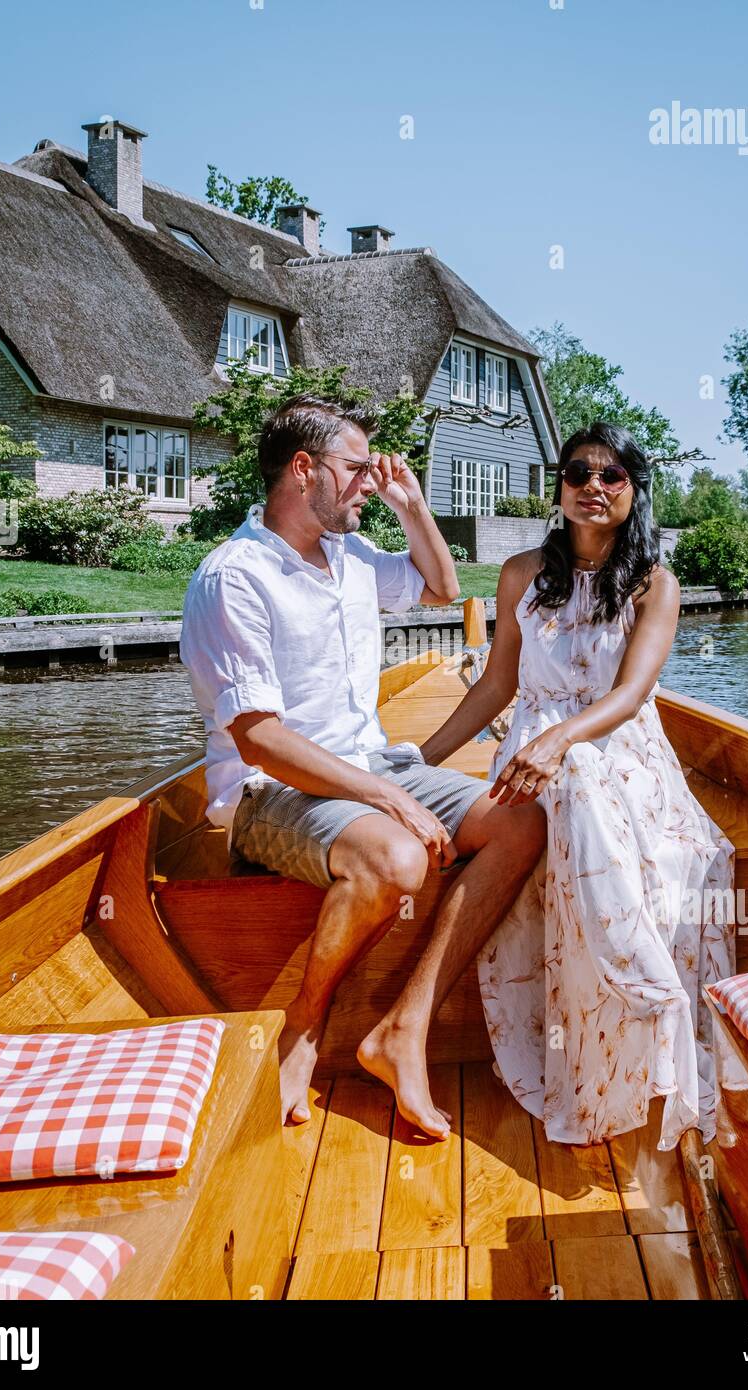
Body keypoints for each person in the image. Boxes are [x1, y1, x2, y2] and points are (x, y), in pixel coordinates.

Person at [180, 394, 546, 1139]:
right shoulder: (235, 578)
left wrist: (414, 506)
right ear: (303, 469)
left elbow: (442, 587)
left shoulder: (349, 559)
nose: (368, 484)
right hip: (269, 793)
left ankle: (403, 1028)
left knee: (520, 823)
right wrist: (386, 796)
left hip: (370, 761)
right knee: (396, 856)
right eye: (356, 470)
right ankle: (305, 1028)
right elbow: (259, 739)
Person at [417, 422, 737, 1151]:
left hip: (615, 749)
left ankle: (639, 992)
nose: (593, 486)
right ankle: (605, 1015)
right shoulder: (522, 572)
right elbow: (498, 683)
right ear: (559, 487)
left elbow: (627, 697)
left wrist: (559, 742)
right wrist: (416, 759)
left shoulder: (656, 583)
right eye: (578, 473)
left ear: (633, 489)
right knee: (555, 793)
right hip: (533, 748)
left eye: (612, 475)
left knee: (583, 782)